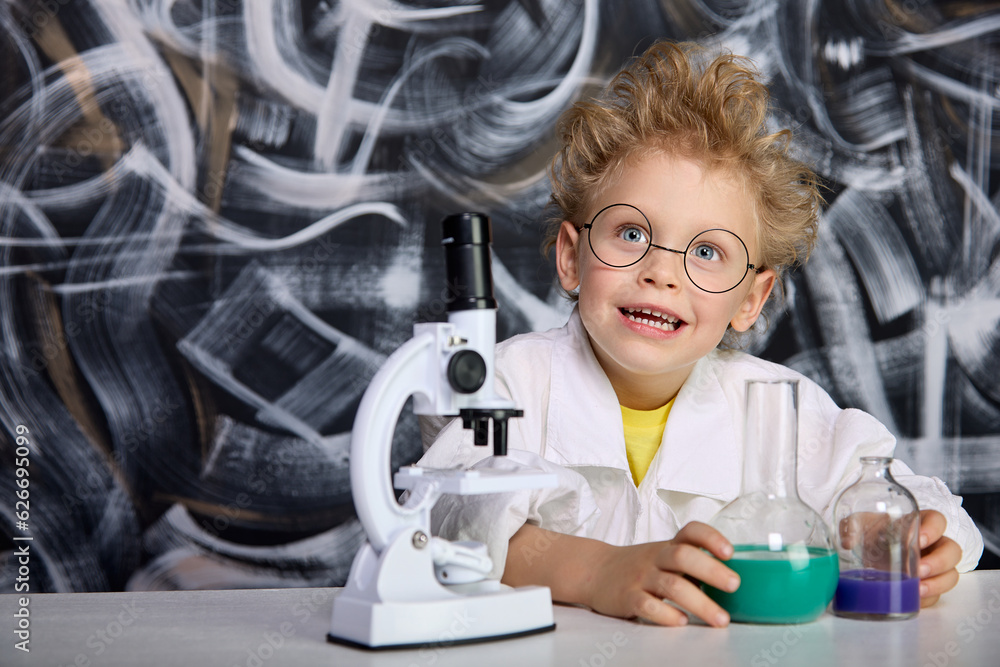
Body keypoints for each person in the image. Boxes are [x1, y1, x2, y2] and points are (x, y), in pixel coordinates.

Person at [416, 41, 983, 628]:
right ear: (570, 257)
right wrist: (596, 571)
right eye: (632, 234)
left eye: (708, 251)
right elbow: (446, 523)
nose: (661, 273)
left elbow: (908, 493)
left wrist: (903, 537)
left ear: (750, 299)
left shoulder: (772, 407)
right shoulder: (509, 384)